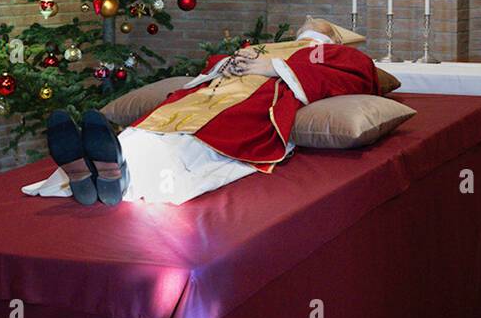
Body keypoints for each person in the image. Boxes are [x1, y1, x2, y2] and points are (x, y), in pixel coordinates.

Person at [24, 20, 377, 206]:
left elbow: (357, 79)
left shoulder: (335, 54)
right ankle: (95, 170)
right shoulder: (264, 45)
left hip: (258, 98)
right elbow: (212, 65)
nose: (308, 24)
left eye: (316, 24)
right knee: (153, 127)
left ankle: (114, 177)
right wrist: (231, 63)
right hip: (212, 92)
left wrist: (273, 67)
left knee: (195, 139)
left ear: (330, 36)